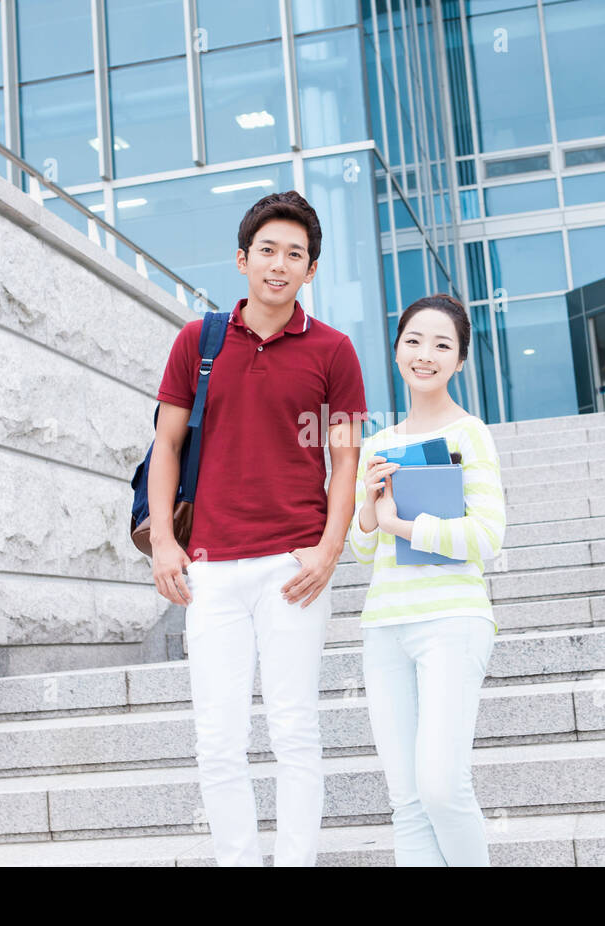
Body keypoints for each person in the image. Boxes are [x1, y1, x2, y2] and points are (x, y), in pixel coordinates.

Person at [147, 190, 367, 866]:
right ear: (243, 260)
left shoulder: (334, 350)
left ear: (311, 270)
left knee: (295, 730)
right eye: (267, 251)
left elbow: (346, 454)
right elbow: (167, 446)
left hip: (294, 565)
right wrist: (162, 540)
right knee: (217, 739)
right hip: (210, 568)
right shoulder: (199, 341)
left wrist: (330, 550)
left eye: (294, 255)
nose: (279, 264)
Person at [348, 293, 505, 866]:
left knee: (441, 785)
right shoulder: (378, 444)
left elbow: (487, 536)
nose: (426, 354)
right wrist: (370, 507)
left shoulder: (471, 434)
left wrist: (405, 524)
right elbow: (365, 550)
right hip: (385, 626)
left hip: (452, 622)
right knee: (407, 801)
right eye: (414, 340)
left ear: (460, 359)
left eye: (443, 344)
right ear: (396, 352)